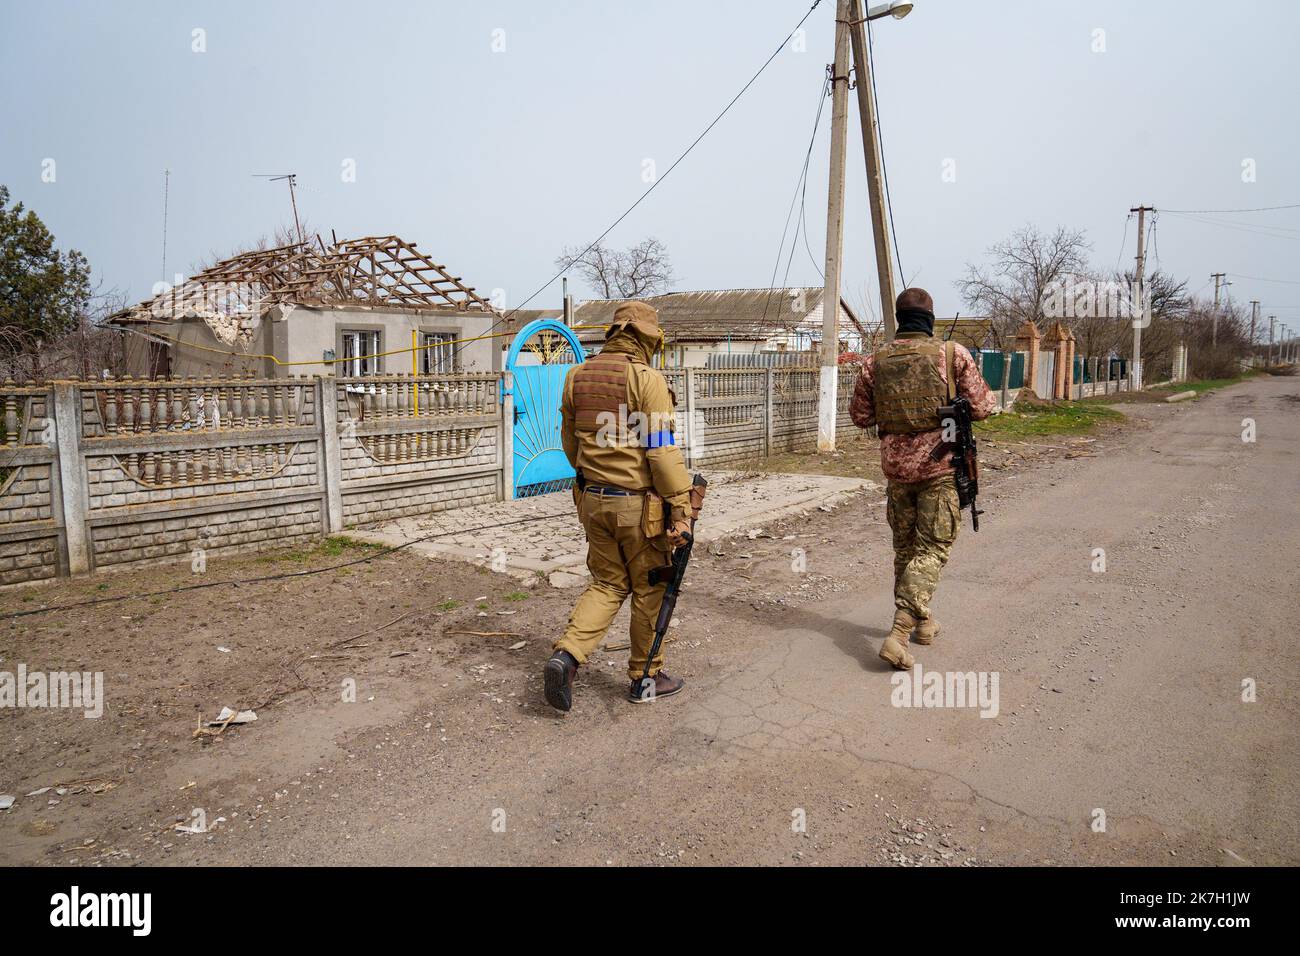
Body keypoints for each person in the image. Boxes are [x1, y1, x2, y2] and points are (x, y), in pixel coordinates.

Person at [543, 301, 694, 711]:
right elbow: (661, 453)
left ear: (614, 333)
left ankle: (567, 657)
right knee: (650, 588)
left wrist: (596, 475)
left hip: (593, 500)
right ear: (649, 339)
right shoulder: (647, 380)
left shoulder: (577, 376)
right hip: (638, 509)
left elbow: (571, 447)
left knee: (607, 583)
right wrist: (680, 509)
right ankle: (645, 677)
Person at [849, 288, 997, 670]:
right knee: (932, 549)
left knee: (906, 549)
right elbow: (983, 407)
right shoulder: (952, 354)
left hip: (897, 473)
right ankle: (898, 634)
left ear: (899, 318)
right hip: (940, 470)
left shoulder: (874, 362)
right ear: (930, 318)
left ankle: (924, 621)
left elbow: (860, 417)